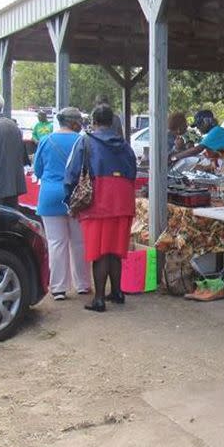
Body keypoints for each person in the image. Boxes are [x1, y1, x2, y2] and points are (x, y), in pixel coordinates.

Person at [65, 103, 138, 312]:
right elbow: (132, 172)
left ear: (94, 122)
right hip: (123, 199)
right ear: (112, 122)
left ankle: (98, 299)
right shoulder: (125, 145)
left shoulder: (85, 141)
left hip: (99, 198)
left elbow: (72, 173)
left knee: (99, 251)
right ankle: (117, 292)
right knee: (116, 249)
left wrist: (69, 197)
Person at [33, 107, 90, 301]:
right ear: (75, 123)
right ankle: (82, 284)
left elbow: (38, 170)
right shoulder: (82, 141)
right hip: (76, 195)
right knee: (79, 242)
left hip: (49, 195)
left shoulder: (45, 140)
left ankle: (58, 288)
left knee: (56, 243)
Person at [173, 110, 224, 201]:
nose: (198, 128)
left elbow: (197, 149)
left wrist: (174, 157)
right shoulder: (214, 133)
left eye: (199, 125)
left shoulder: (216, 131)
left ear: (206, 121)